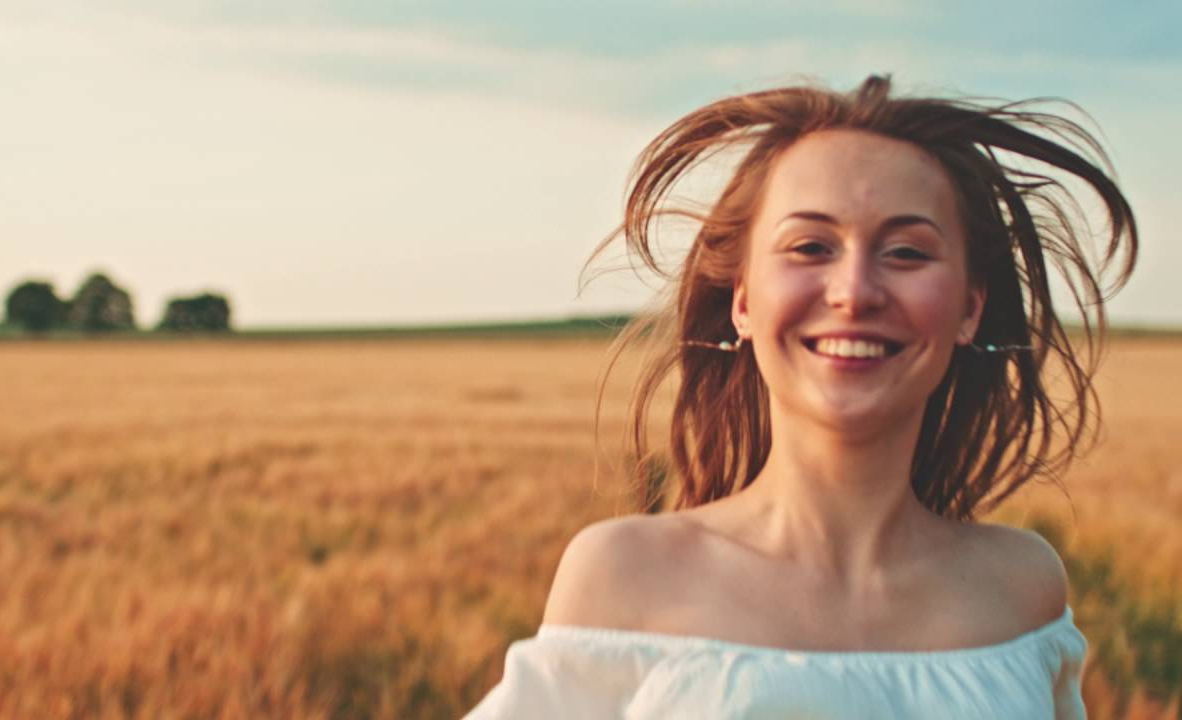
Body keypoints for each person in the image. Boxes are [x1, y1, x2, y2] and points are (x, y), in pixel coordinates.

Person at [464, 74, 1137, 719]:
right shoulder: (622, 577)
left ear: (969, 307)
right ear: (744, 301)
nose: (854, 292)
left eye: (907, 252)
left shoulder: (1021, 591)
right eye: (811, 246)